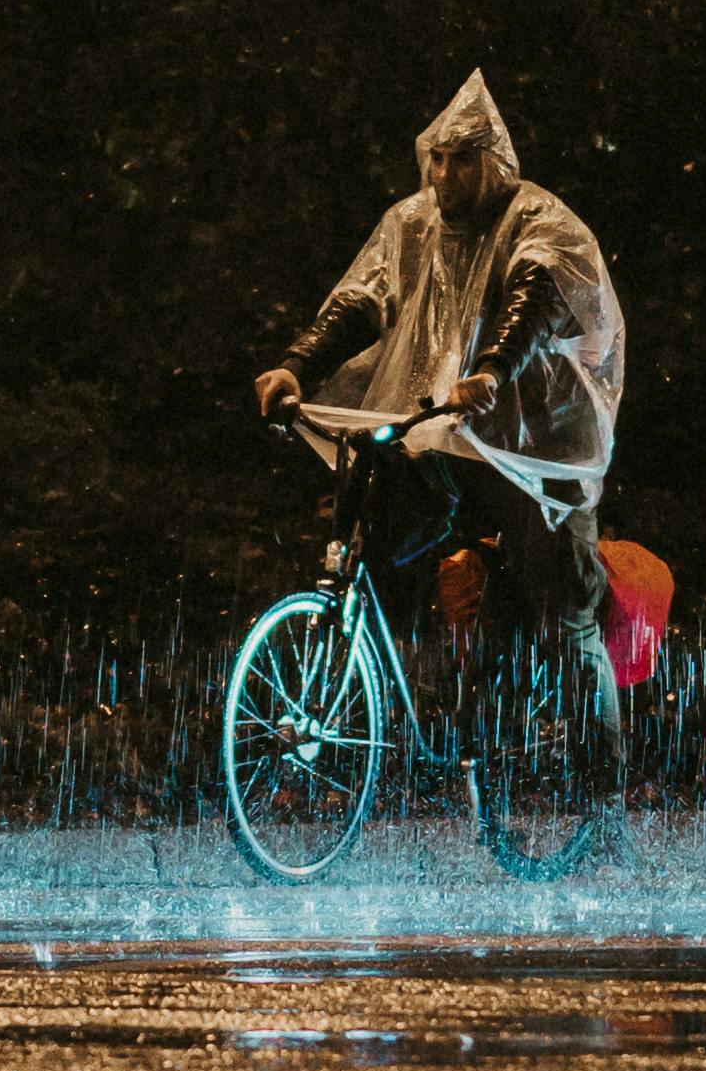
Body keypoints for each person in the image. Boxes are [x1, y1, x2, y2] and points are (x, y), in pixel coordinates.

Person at [251, 69, 628, 779]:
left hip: (532, 452)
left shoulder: (542, 222)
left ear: (496, 163)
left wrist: (492, 369)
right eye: (437, 158)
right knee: (375, 536)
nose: (446, 174)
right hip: (446, 432)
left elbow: (535, 293)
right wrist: (298, 366)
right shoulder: (412, 224)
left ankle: (601, 802)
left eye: (462, 159)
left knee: (564, 616)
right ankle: (412, 707)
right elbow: (362, 299)